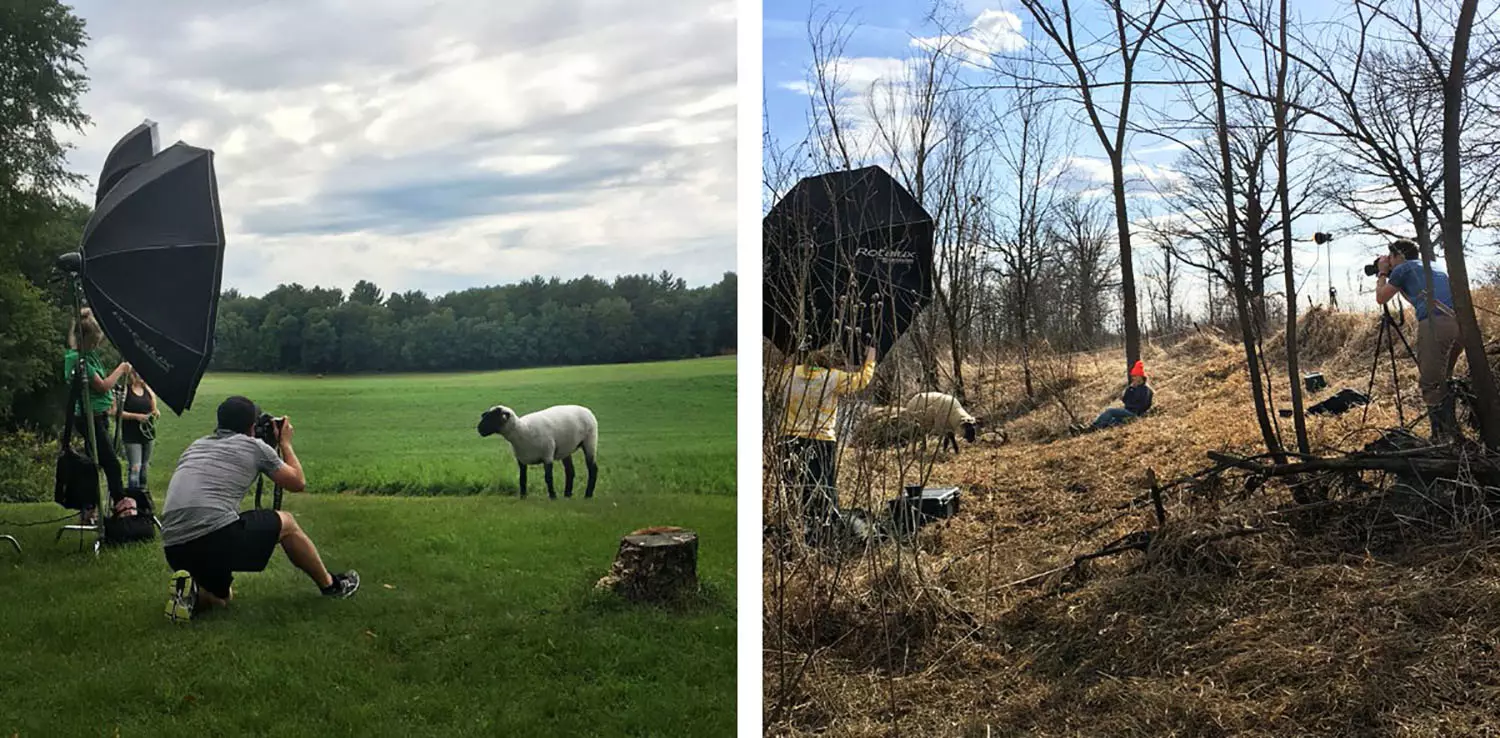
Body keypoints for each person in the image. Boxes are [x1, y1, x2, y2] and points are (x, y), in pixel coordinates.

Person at [162, 395, 358, 622]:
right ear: (252, 426)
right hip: (214, 537)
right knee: (288, 523)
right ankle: (332, 585)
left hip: (174, 547)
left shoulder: (196, 445)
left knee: (223, 599)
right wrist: (284, 443)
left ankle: (192, 595)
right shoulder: (254, 446)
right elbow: (297, 482)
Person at [775, 340, 878, 538]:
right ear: (827, 363)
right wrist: (871, 355)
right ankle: (825, 528)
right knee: (823, 486)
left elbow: (782, 370)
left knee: (795, 485)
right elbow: (862, 379)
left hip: (789, 439)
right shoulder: (832, 377)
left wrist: (791, 349)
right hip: (821, 439)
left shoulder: (789, 374)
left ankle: (797, 526)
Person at [1376, 238, 1464, 443]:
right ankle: (1453, 433)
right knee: (1444, 378)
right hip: (1458, 324)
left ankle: (1440, 439)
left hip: (1435, 324)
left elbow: (1381, 298)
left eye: (1390, 257)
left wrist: (1382, 273)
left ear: (1399, 256)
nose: (1388, 261)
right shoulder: (1430, 266)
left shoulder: (1403, 269)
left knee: (1431, 383)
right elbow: (1417, 297)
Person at [63, 308, 131, 521]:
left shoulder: (89, 356)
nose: (96, 346)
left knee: (94, 464)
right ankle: (120, 502)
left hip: (99, 416)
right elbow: (101, 386)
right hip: (89, 418)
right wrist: (121, 369)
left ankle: (89, 507)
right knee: (111, 462)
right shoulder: (77, 359)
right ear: (82, 339)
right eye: (93, 342)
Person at [1071, 361, 1153, 434]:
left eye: (1135, 376)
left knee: (1110, 411)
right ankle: (1084, 431)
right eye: (1132, 377)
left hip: (1134, 414)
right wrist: (1130, 389)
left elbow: (1141, 405)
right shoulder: (1133, 387)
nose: (1133, 378)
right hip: (1128, 412)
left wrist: (1133, 391)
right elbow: (1125, 400)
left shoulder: (1146, 390)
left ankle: (1089, 429)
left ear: (1140, 376)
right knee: (1109, 421)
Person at [113, 371, 160, 493]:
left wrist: (155, 413)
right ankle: (133, 496)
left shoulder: (148, 391)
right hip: (131, 435)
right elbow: (116, 412)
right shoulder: (125, 391)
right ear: (133, 375)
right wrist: (136, 416)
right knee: (135, 467)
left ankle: (143, 496)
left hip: (147, 434)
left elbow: (153, 408)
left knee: (144, 467)